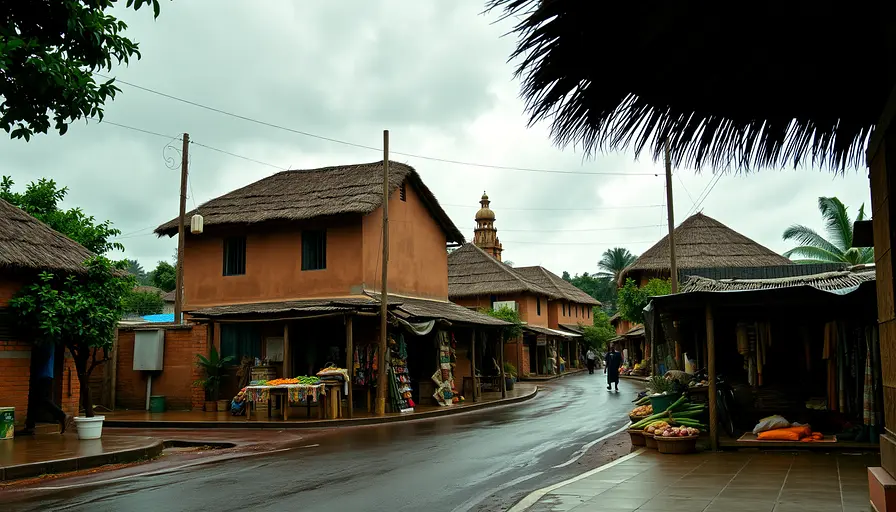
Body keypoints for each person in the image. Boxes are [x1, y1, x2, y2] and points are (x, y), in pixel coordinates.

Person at [24, 342, 69, 434]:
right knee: (34, 399)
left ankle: (62, 415)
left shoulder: (47, 339)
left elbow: (46, 355)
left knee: (42, 398)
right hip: (44, 373)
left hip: (43, 374)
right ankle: (30, 426)